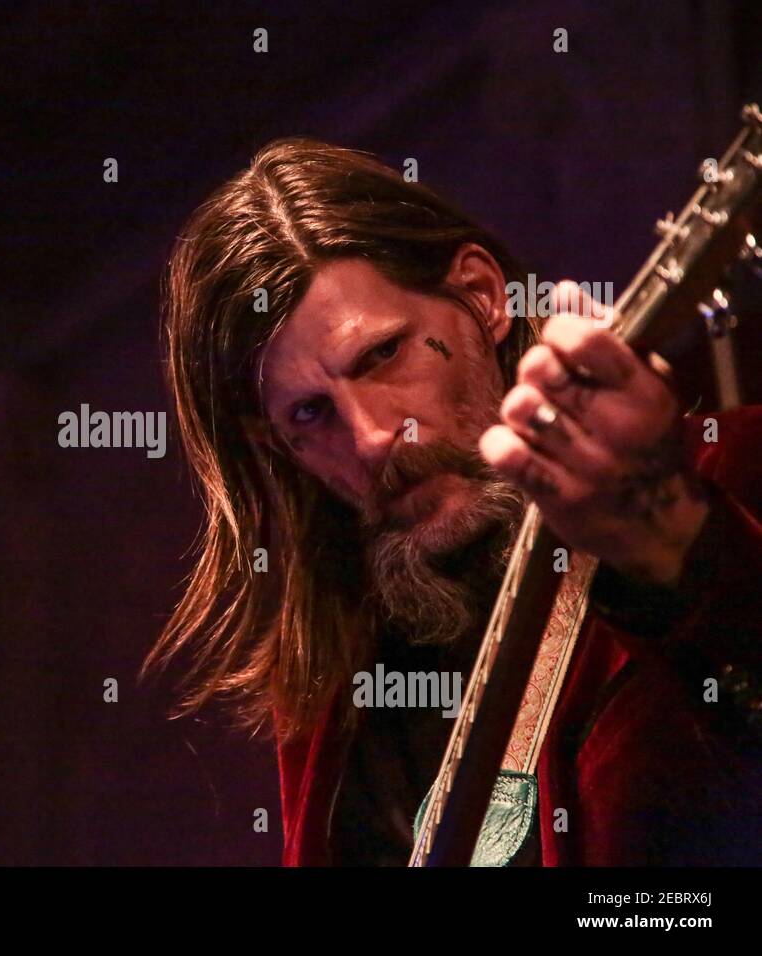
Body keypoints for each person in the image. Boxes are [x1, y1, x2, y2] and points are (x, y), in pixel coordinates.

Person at [142, 139, 762, 865]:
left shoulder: (738, 466)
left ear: (482, 295)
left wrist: (674, 542)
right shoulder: (333, 687)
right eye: (312, 414)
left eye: (382, 356)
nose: (372, 438)